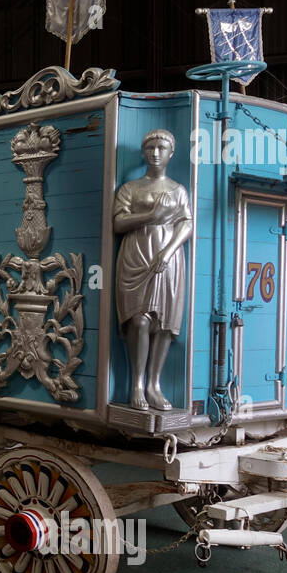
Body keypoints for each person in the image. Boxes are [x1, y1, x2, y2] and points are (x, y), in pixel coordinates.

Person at [112, 129, 192, 411]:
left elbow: (187, 224)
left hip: (168, 257)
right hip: (135, 253)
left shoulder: (178, 190)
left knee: (164, 325)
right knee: (139, 320)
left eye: (161, 148)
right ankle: (136, 383)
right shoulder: (130, 189)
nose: (155, 153)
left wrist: (167, 253)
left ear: (171, 154)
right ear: (143, 152)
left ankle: (153, 385)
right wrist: (150, 216)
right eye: (150, 148)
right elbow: (118, 223)